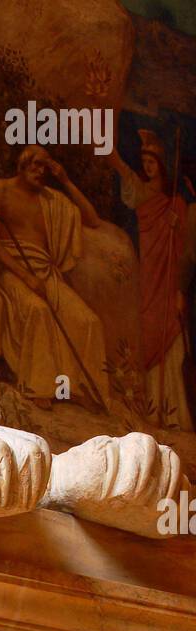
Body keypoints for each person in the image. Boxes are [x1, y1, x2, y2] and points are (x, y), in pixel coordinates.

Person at [0, 147, 110, 410]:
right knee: (38, 310)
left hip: (46, 272)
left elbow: (92, 219)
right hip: (9, 269)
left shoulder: (51, 200)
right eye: (36, 166)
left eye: (46, 169)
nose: (41, 173)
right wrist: (26, 276)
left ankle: (80, 389)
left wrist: (66, 181)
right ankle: (39, 387)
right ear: (22, 165)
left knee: (88, 320)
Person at [108, 130, 192, 431]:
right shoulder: (144, 193)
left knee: (170, 336)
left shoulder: (175, 203)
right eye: (144, 161)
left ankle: (172, 414)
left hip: (167, 277)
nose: (147, 166)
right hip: (149, 274)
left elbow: (186, 247)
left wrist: (176, 225)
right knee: (149, 326)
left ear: (161, 164)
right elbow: (123, 172)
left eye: (152, 162)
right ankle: (152, 412)